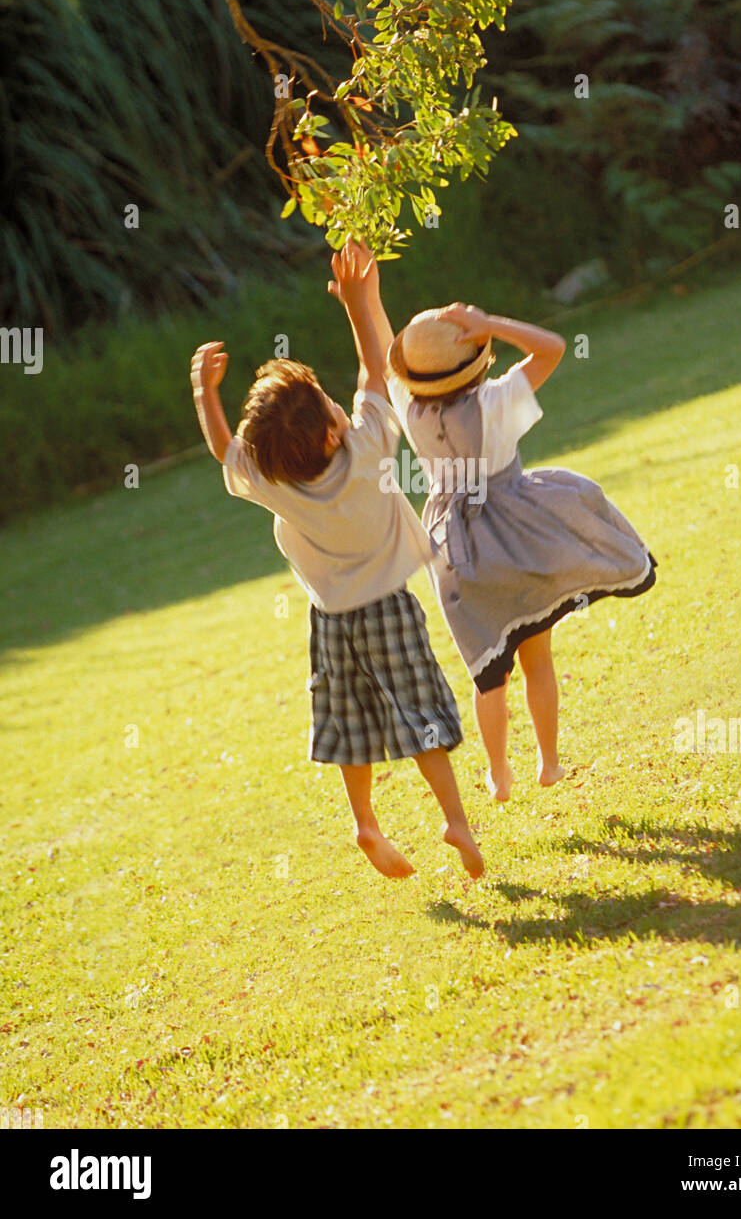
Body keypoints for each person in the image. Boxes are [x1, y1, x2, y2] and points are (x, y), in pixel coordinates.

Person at [189, 240, 483, 879]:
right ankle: (455, 820)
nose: (337, 405)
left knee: (350, 724)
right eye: (327, 403)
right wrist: (360, 301)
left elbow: (222, 451)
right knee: (423, 712)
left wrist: (204, 392)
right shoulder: (369, 448)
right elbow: (374, 371)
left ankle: (366, 823)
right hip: (389, 612)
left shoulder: (272, 482)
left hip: (330, 625)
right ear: (329, 431)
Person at [384, 296, 657, 802]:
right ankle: (549, 764)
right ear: (479, 360)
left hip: (458, 552)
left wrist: (365, 296)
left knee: (489, 672)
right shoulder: (495, 401)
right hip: (519, 541)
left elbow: (378, 353)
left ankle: (498, 774)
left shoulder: (409, 407)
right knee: (538, 659)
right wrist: (490, 323)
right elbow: (551, 348)